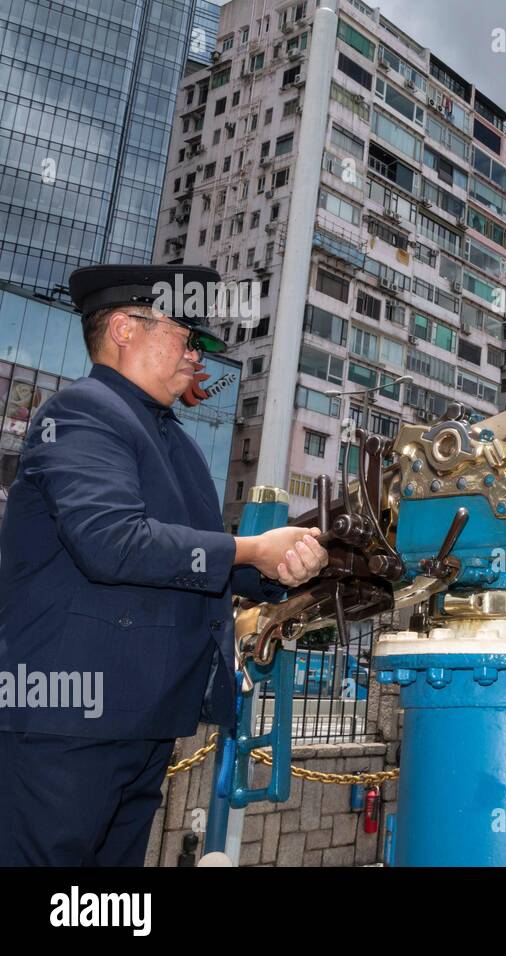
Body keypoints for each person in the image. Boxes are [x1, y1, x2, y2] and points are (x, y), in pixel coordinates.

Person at [0, 264, 332, 866]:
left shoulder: (173, 441)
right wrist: (251, 549)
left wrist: (278, 566)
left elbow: (197, 556)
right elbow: (112, 543)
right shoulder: (82, 412)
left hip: (140, 719)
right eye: (187, 336)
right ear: (125, 329)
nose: (197, 355)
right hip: (69, 722)